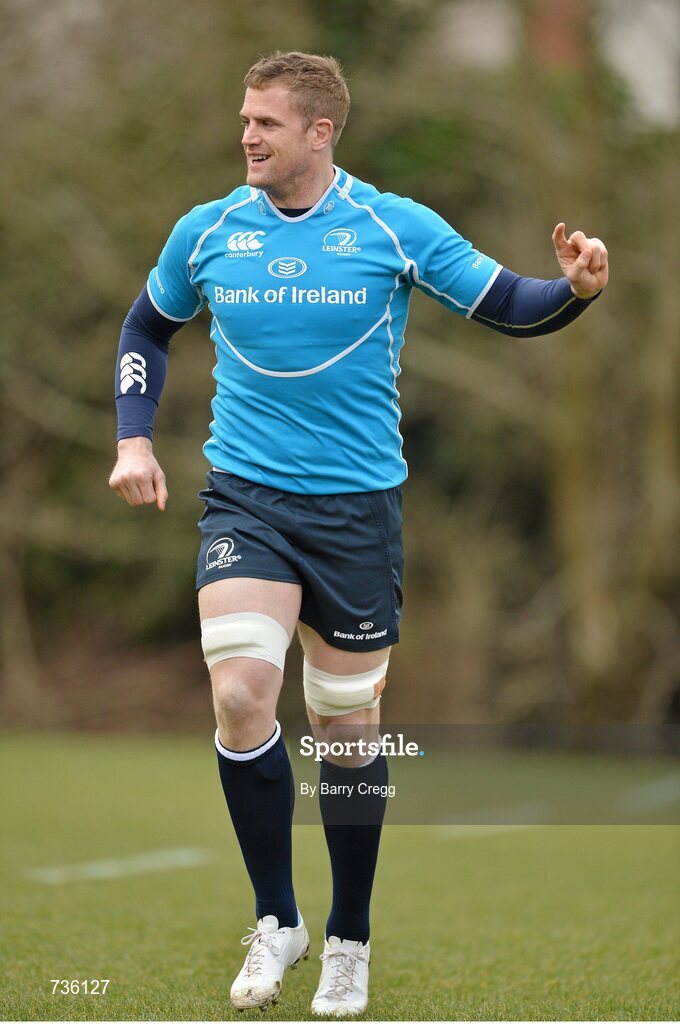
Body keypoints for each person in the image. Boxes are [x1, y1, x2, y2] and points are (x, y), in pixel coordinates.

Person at [109, 51, 608, 1016]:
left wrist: (576, 292)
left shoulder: (393, 225)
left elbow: (508, 304)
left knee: (347, 734)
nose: (247, 135)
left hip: (357, 517)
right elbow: (144, 330)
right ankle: (276, 919)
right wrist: (135, 442)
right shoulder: (208, 231)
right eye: (244, 118)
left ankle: (348, 939)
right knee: (243, 692)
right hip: (245, 501)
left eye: (266, 122)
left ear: (321, 131)